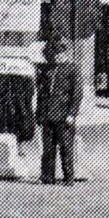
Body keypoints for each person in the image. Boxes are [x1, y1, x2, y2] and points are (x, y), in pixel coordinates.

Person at [37, 38, 82, 185]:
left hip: (63, 115)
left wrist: (72, 114)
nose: (57, 56)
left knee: (66, 148)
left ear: (66, 54)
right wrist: (39, 114)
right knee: (48, 149)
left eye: (60, 53)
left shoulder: (73, 69)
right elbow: (42, 94)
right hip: (48, 114)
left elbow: (77, 94)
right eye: (55, 53)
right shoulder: (48, 70)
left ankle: (68, 177)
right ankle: (47, 177)